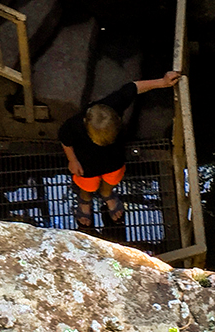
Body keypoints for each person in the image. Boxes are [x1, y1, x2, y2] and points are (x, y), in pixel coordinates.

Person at [59, 71, 182, 235]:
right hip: (86, 166)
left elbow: (134, 87)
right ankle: (85, 200)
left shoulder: (111, 106)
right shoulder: (74, 125)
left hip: (114, 162)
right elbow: (65, 140)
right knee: (86, 186)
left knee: (112, 179)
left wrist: (163, 82)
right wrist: (72, 160)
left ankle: (107, 193)